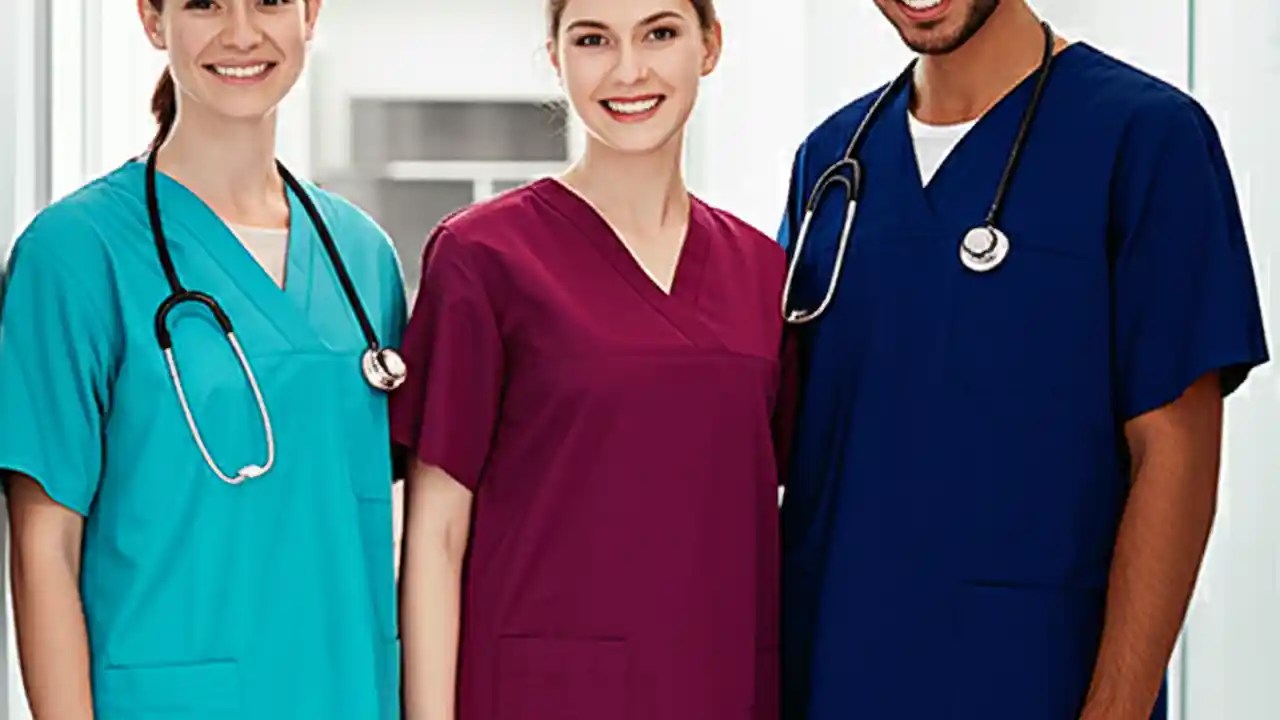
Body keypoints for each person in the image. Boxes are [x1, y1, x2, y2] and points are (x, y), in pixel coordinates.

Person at [777, 1, 1268, 719]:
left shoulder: (1145, 138)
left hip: (1029, 674)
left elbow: (1176, 454)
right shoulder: (831, 161)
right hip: (834, 674)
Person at [0, 0, 406, 717]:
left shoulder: (362, 257)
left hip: (348, 691)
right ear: (152, 21)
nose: (242, 32)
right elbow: (44, 551)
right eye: (204, 4)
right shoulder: (74, 253)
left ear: (311, 13)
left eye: (271, 1)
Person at [390, 0, 794, 718]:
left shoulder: (762, 272)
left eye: (660, 33)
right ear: (556, 56)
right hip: (537, 691)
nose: (628, 70)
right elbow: (436, 533)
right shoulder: (484, 257)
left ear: (710, 45)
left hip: (719, 684)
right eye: (593, 40)